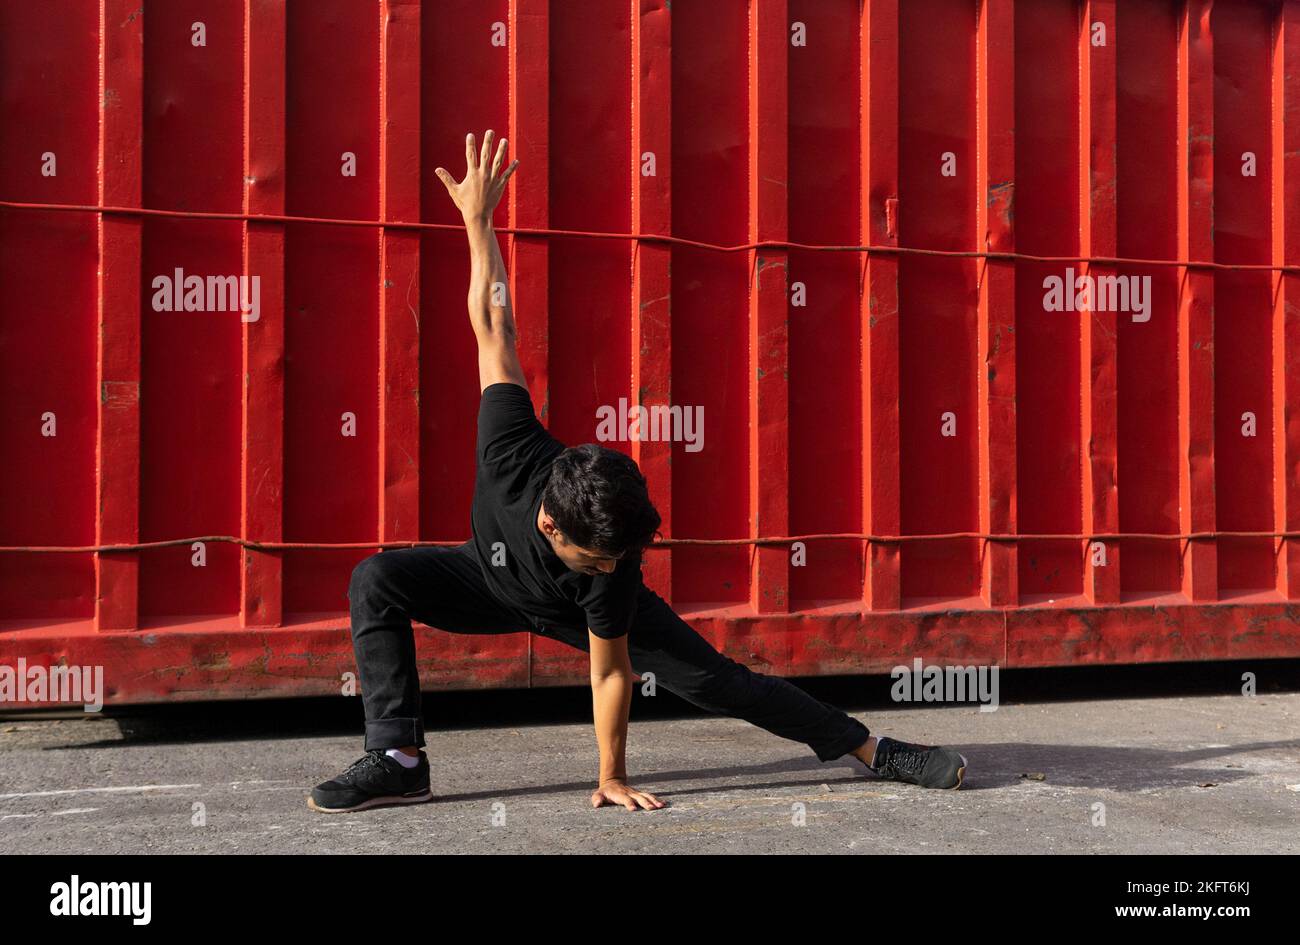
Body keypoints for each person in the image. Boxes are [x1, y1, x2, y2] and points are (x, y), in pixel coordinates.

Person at [308, 130, 968, 814]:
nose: (609, 565)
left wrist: (611, 773)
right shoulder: (510, 448)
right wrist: (478, 222)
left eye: (616, 557)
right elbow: (494, 324)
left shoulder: (610, 571)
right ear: (548, 520)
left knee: (721, 682)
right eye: (595, 557)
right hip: (486, 575)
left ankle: (872, 747)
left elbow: (610, 672)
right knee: (376, 579)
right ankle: (398, 757)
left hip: (566, 611)